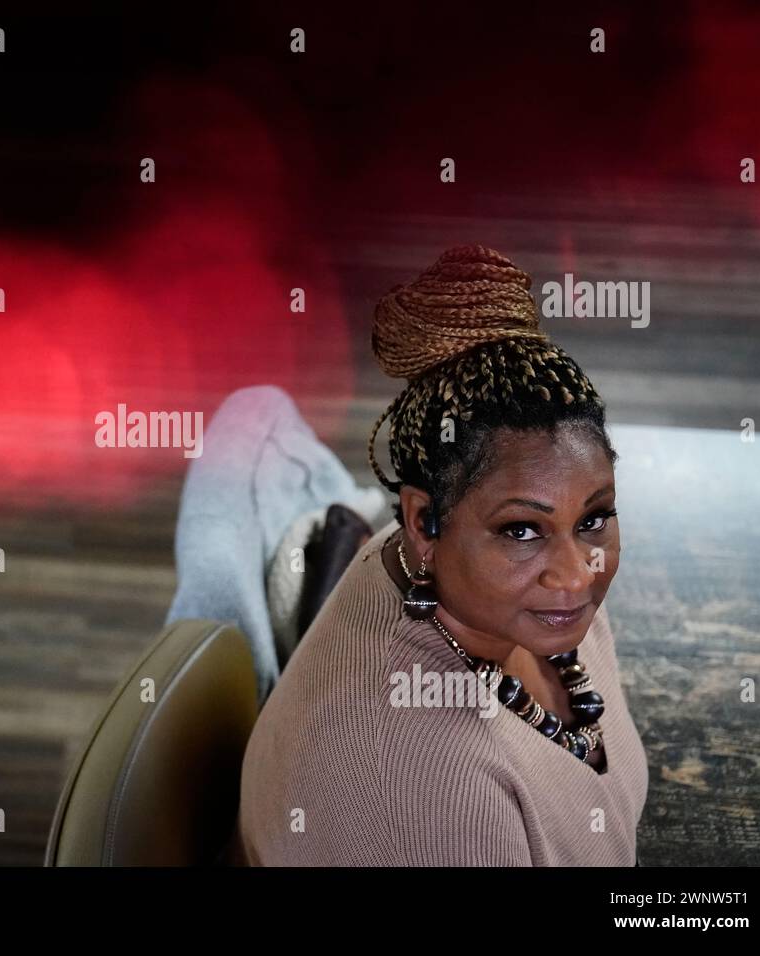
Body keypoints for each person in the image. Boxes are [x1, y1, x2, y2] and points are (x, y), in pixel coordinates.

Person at [238, 245, 648, 865]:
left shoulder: (442, 572)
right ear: (423, 524)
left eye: (593, 518)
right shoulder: (430, 807)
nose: (575, 573)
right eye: (520, 531)